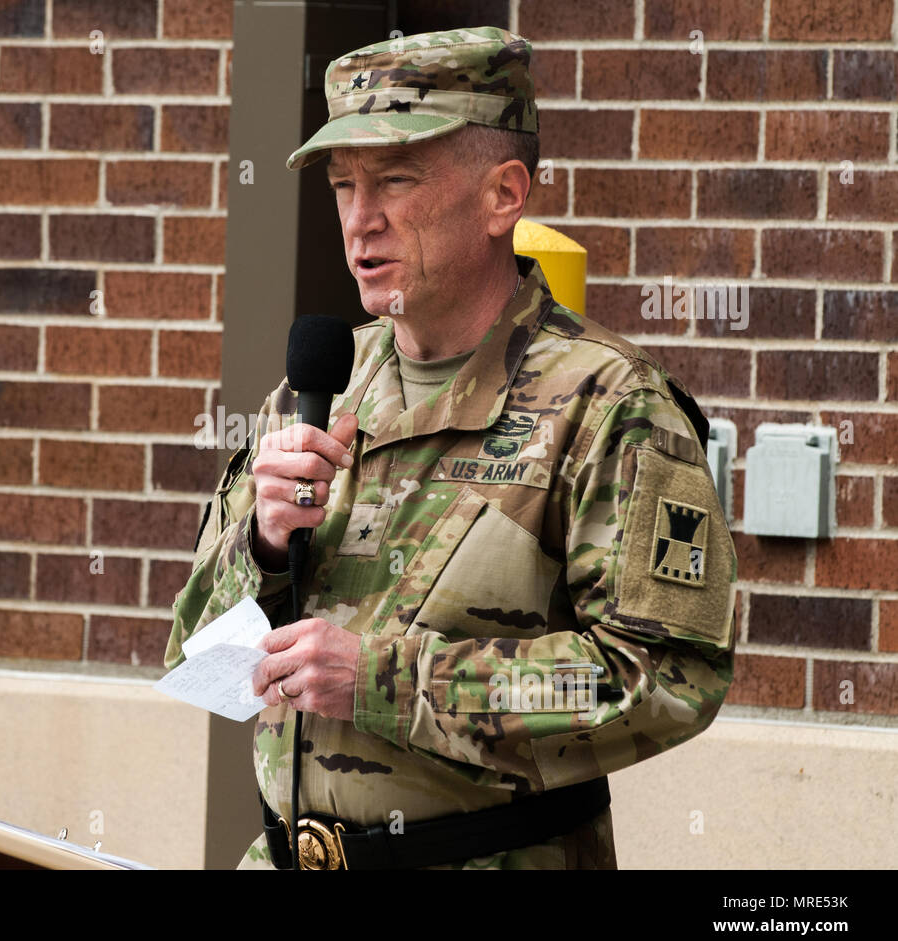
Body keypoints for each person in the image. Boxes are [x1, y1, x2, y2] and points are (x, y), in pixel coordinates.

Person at [164, 26, 736, 870]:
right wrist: (258, 546)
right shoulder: (315, 388)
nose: (361, 220)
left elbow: (666, 682)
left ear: (504, 195)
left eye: (396, 179)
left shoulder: (608, 407)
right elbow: (196, 660)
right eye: (344, 185)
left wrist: (388, 683)